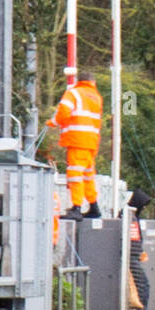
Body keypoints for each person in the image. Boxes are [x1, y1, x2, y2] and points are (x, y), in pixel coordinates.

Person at [46, 73, 103, 221]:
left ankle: (76, 207)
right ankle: (94, 206)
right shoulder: (96, 96)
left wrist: (53, 122)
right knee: (88, 176)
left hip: (77, 140)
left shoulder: (73, 93)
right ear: (92, 82)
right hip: (91, 142)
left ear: (80, 81)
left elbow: (64, 112)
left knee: (75, 175)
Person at [124, 189, 155, 310]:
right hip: (130, 258)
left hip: (134, 256)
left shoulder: (133, 217)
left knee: (141, 285)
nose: (144, 208)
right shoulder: (128, 217)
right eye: (143, 205)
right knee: (144, 284)